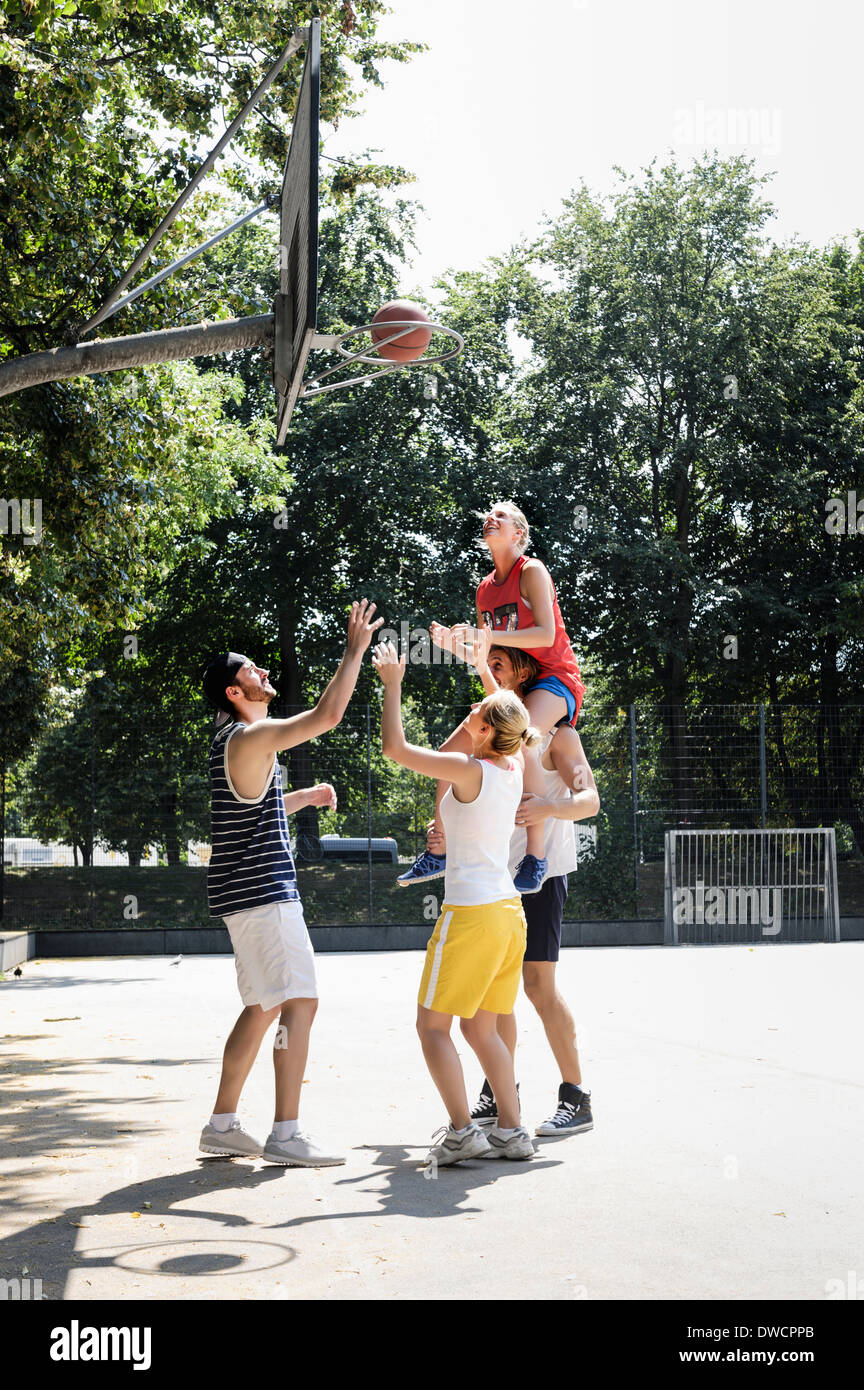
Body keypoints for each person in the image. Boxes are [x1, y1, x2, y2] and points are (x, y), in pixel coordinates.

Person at [198, 599, 383, 1167]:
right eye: (252, 669)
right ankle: (286, 1134)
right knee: (300, 1002)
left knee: (260, 1007)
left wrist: (302, 797)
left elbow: (248, 810)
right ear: (234, 691)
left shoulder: (233, 746)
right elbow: (326, 717)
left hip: (240, 896)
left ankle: (222, 1126)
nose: (264, 672)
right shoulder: (250, 739)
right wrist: (354, 651)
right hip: (264, 896)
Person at [373, 637, 540, 1167]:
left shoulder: (471, 770)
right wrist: (481, 671)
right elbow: (503, 713)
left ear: (489, 731)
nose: (472, 710)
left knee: (432, 1027)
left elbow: (395, 751)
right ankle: (513, 1132)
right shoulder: (510, 767)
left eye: (478, 713)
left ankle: (464, 1131)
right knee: (482, 1028)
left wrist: (394, 685)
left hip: (470, 916)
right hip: (509, 915)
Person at [426, 638, 600, 1136]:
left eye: (500, 664)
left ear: (525, 673)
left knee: (538, 987)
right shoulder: (495, 736)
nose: (491, 675)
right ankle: (501, 1095)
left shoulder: (559, 737)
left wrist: (550, 808)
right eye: (490, 668)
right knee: (492, 999)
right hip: (495, 882)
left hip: (540, 877)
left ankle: (576, 1096)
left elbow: (589, 800)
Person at [398, 500, 585, 895]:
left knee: (524, 740)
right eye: (489, 514)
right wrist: (458, 648)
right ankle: (440, 848)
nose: (490, 518)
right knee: (447, 756)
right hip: (513, 682)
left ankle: (535, 856)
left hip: (553, 678)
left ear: (519, 532)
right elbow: (490, 654)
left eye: (501, 515)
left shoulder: (531, 570)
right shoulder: (485, 589)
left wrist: (484, 637)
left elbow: (545, 637)